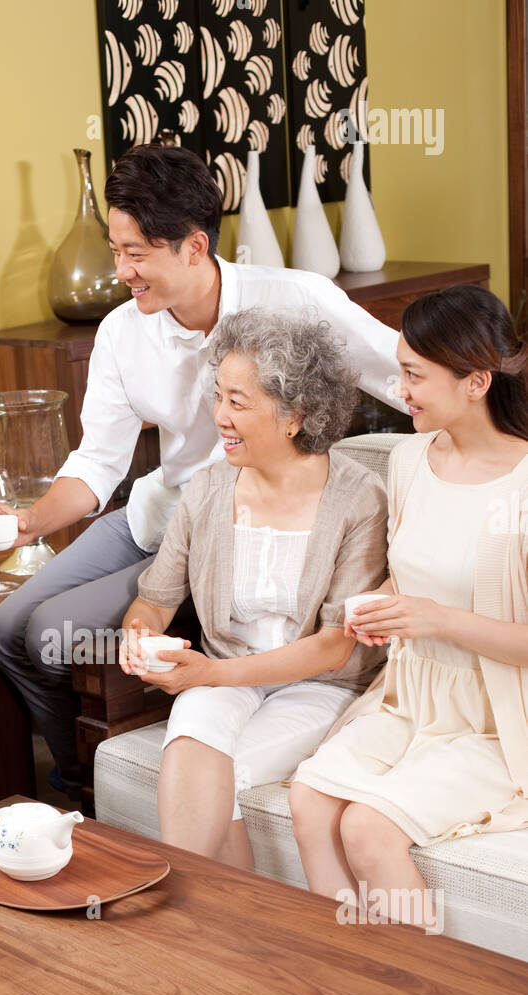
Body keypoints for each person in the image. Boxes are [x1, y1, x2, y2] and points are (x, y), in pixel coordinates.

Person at [0, 142, 405, 799]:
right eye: (116, 251)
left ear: (194, 247)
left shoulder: (296, 300)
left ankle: (78, 785)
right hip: (163, 514)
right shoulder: (123, 332)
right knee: (4, 630)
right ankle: (79, 778)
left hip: (242, 529)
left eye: (135, 253)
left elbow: (407, 377)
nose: (121, 271)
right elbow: (98, 463)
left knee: (50, 634)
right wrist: (27, 522)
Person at [289, 285, 528, 930]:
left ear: (477, 381)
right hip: (411, 696)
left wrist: (437, 618)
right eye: (400, 371)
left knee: (368, 828)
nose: (401, 390)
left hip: (497, 719)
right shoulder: (409, 460)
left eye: (416, 376)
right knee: (309, 800)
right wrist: (379, 607)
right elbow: (406, 581)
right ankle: (352, 980)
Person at [116, 308, 388, 870]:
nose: (219, 416)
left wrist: (210, 675)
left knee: (227, 772)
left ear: (295, 416)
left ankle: (212, 930)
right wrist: (137, 639)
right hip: (229, 671)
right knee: (191, 740)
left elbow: (335, 646)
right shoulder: (207, 490)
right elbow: (154, 601)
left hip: (319, 685)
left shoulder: (359, 498)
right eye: (218, 396)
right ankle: (200, 923)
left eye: (238, 402)